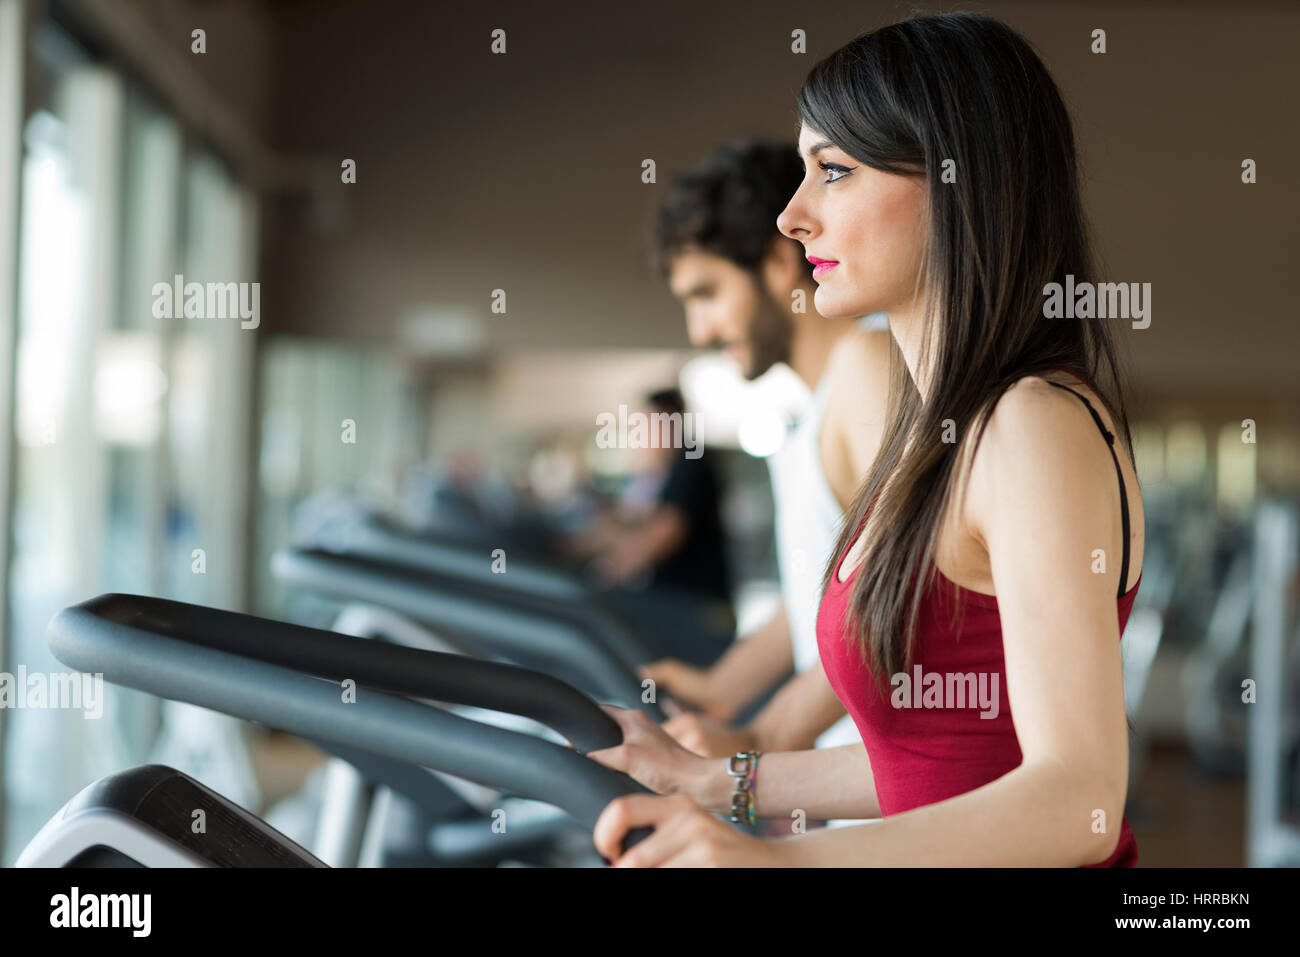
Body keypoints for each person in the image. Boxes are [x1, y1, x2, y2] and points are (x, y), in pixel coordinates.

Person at [588, 11, 1145, 867]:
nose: (792, 216)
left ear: (962, 183)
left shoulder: (1032, 425)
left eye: (835, 172)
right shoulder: (934, 432)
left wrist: (778, 861)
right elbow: (937, 766)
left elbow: (1079, 800)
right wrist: (718, 780)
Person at [637, 139, 894, 761]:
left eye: (708, 294)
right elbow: (825, 594)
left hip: (893, 801)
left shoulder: (872, 372)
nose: (700, 331)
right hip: (844, 786)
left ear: (781, 265)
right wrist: (725, 686)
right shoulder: (814, 409)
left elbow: (892, 603)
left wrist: (761, 744)